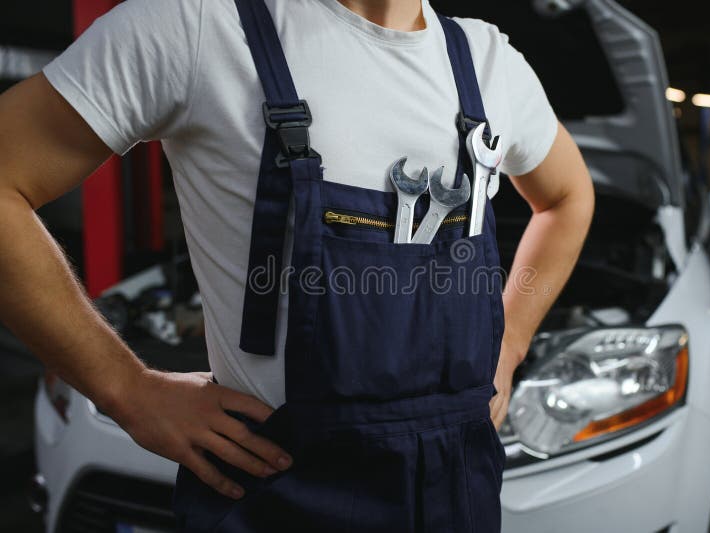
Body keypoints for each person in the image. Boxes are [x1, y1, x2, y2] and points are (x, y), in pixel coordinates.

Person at [0, 0, 593, 530]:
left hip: (458, 489)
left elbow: (568, 197)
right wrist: (125, 390)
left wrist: (512, 340)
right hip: (279, 492)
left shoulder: (488, 61)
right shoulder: (199, 24)